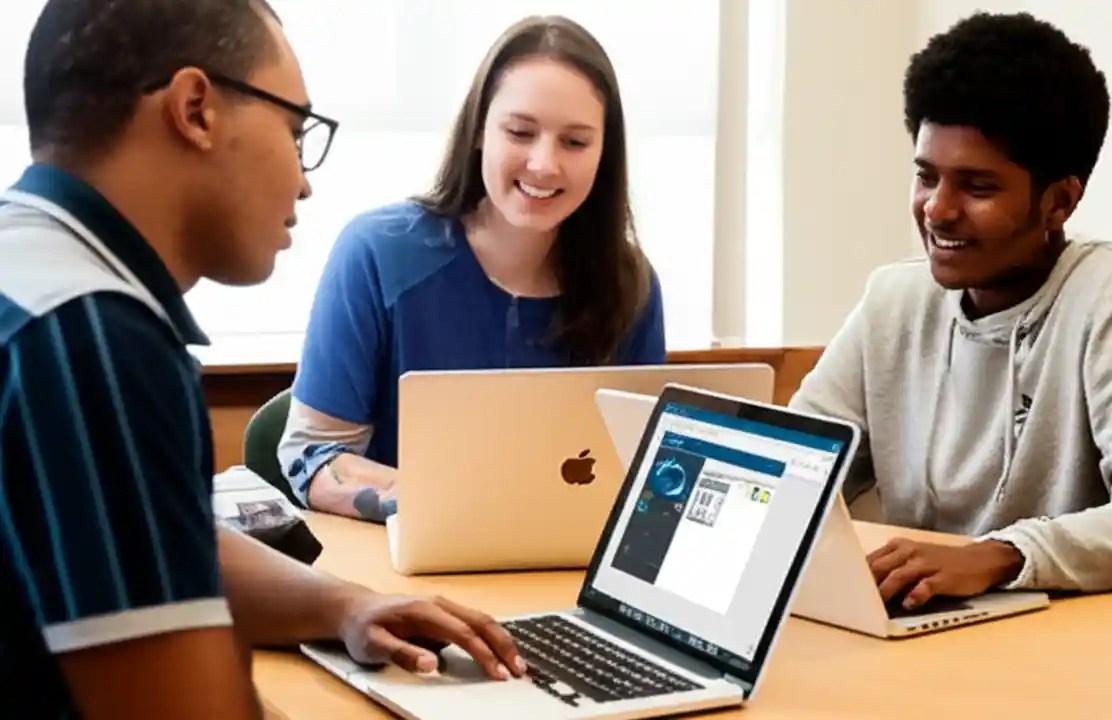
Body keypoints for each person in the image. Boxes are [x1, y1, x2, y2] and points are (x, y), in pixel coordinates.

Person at [0, 2, 523, 717]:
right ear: (196, 109)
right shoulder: (92, 337)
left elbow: (148, 541)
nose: (305, 181)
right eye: (295, 128)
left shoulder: (26, 271)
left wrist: (345, 604)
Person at [790, 12, 1112, 610]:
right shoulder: (893, 302)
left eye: (977, 187)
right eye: (926, 176)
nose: (937, 211)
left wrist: (999, 555)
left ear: (1060, 201)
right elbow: (792, 471)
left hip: (1077, 652)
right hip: (924, 633)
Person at [280, 15, 666, 522]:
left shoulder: (630, 284)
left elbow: (645, 477)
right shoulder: (376, 251)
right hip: (396, 572)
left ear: (603, 153)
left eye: (575, 142)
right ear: (480, 130)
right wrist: (457, 510)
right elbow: (312, 457)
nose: (545, 164)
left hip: (559, 576)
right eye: (521, 132)